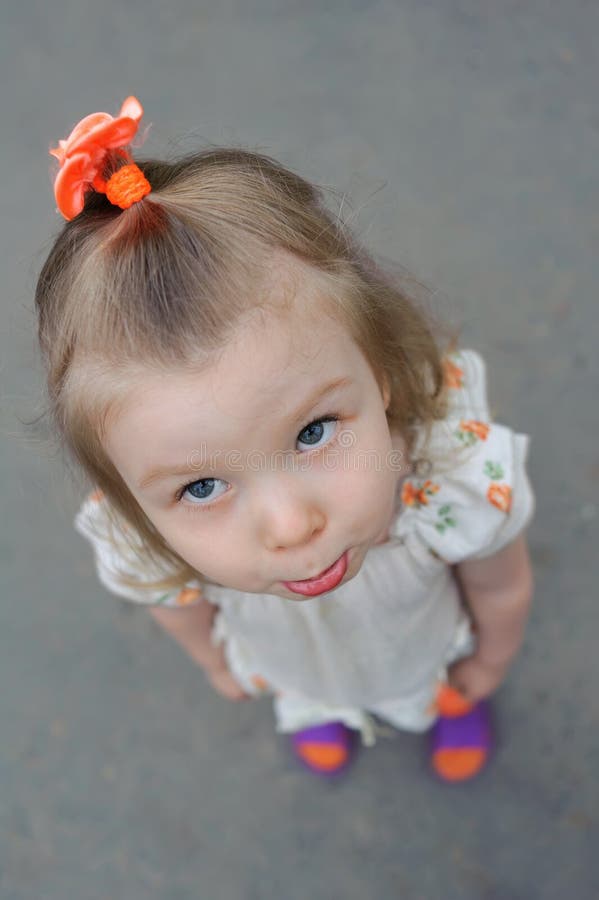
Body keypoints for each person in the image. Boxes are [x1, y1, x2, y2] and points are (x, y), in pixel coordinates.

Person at [36, 96, 535, 782]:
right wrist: (214, 660)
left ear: (378, 372)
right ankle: (321, 707)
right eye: (202, 486)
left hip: (421, 653)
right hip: (288, 662)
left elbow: (500, 589)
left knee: (441, 683)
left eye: (312, 431)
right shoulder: (140, 535)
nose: (292, 525)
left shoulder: (450, 482)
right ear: (131, 493)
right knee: (307, 689)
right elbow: (175, 607)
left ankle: (449, 703)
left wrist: (488, 661)